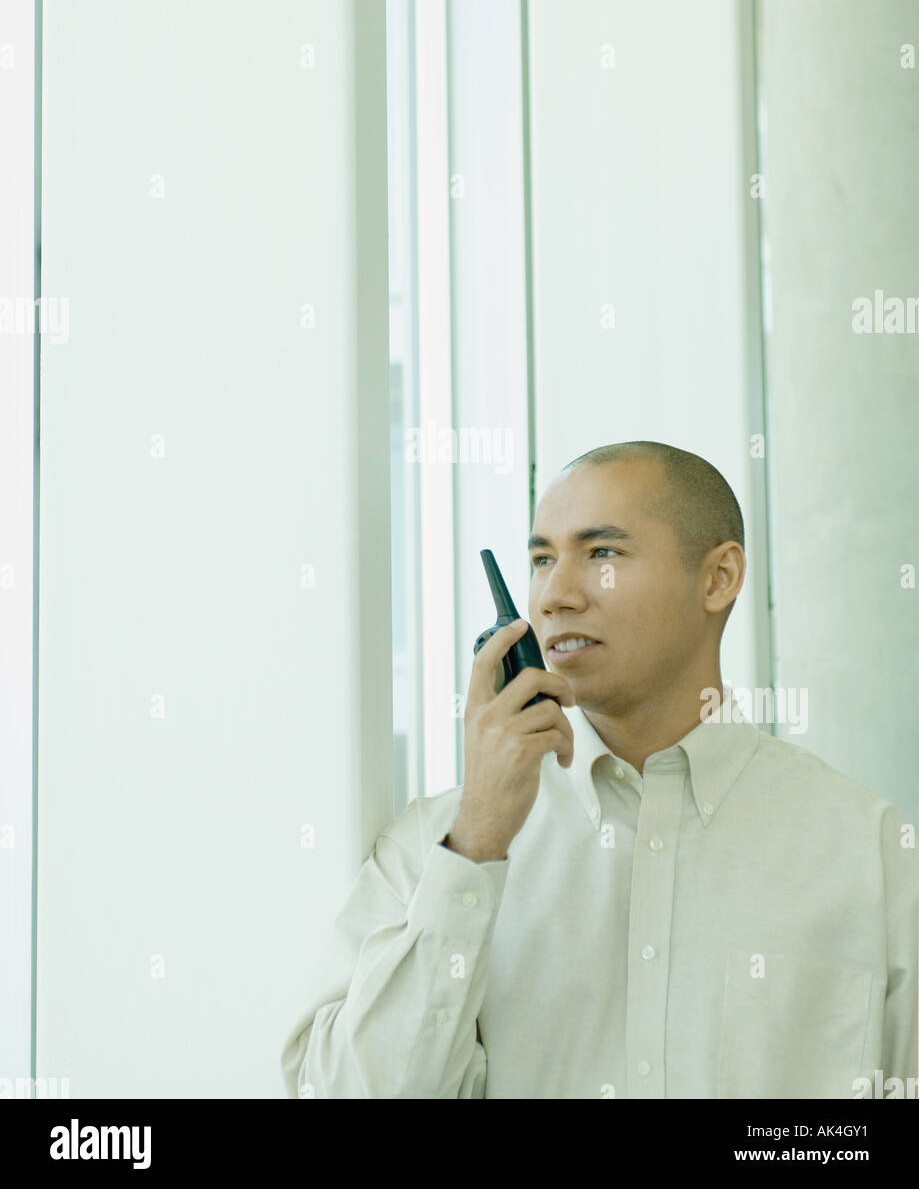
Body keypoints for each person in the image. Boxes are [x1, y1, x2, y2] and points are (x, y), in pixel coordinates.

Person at [280, 441, 918, 1099]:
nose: (554, 595)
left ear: (718, 578)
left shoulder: (867, 852)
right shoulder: (438, 845)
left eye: (602, 553)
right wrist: (475, 846)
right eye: (540, 559)